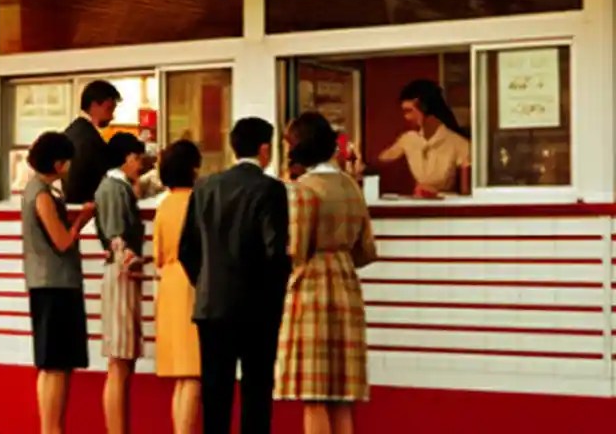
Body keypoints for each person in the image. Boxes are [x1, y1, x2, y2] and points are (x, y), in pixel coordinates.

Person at [179, 117, 290, 434]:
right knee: (256, 393)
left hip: (211, 306)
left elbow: (187, 247)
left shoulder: (205, 187)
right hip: (256, 309)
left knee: (215, 394)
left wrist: (204, 282)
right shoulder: (270, 189)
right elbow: (274, 251)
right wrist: (275, 297)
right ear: (265, 149)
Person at [275, 112, 378, 434]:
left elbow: (296, 248)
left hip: (312, 288)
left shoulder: (302, 190)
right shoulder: (350, 186)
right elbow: (366, 250)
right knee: (341, 395)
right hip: (346, 283)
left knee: (315, 394)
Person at [21, 131, 97, 434]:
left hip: (49, 285)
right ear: (57, 162)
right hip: (54, 286)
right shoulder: (41, 194)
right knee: (55, 365)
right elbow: (62, 240)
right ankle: (51, 429)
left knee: (57, 364)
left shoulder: (39, 190)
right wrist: (84, 219)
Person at [94, 132, 148, 434]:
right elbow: (117, 239)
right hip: (121, 274)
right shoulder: (115, 189)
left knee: (123, 361)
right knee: (120, 362)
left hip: (119, 272)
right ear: (127, 157)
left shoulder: (115, 186)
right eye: (137, 157)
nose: (140, 164)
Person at [153, 140, 204, 434]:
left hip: (170, 287)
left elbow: (158, 255)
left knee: (180, 378)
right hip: (193, 285)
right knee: (194, 374)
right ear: (193, 168)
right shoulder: (199, 202)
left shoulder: (164, 206)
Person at [378, 79, 471, 196]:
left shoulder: (459, 144)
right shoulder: (408, 139)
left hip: (446, 208)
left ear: (426, 109)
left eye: (409, 111)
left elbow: (466, 193)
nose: (406, 117)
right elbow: (382, 161)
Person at [63, 80, 121, 204]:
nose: (112, 117)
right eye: (109, 109)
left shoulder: (72, 131)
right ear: (94, 106)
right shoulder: (88, 139)